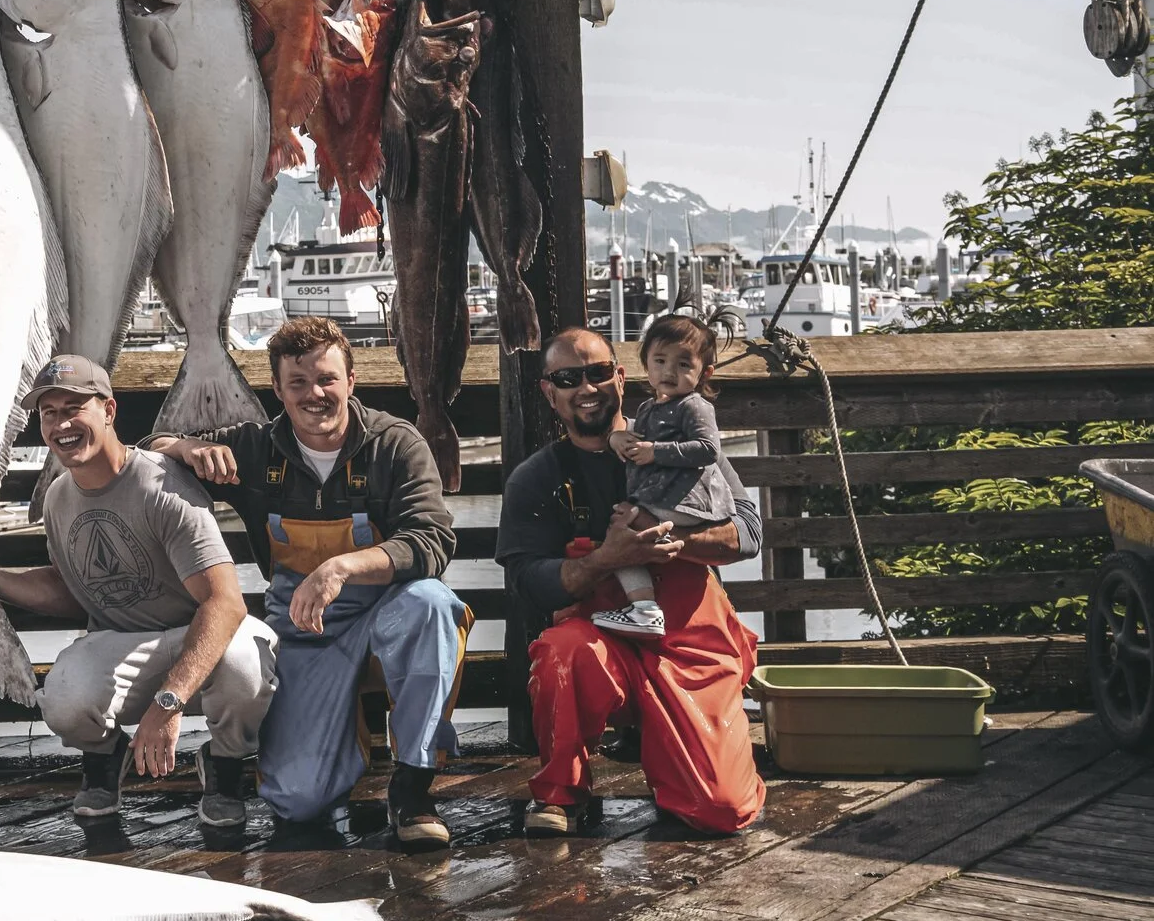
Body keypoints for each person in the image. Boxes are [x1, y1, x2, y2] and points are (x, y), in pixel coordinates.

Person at [150, 315, 467, 848]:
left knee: (432, 605)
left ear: (351, 380)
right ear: (276, 389)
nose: (314, 394)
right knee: (298, 803)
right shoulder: (254, 448)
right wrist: (182, 448)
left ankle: (413, 786)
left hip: (389, 613)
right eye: (297, 383)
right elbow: (144, 451)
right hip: (304, 632)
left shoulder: (396, 445)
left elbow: (432, 540)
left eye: (326, 380)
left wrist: (341, 567)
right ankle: (292, 753)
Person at [0, 355, 277, 828]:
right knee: (63, 697)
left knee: (246, 666)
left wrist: (168, 702)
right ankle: (105, 756)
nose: (62, 424)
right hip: (123, 641)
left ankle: (223, 764)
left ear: (109, 411)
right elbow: (69, 586)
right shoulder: (58, 496)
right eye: (49, 413)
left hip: (198, 632)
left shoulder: (162, 484)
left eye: (75, 407)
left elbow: (224, 602)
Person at [496, 326, 766, 838]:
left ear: (622, 377)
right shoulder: (535, 476)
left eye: (598, 373)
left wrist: (669, 542)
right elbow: (529, 582)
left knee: (723, 810)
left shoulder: (685, 443)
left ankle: (675, 760)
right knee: (562, 652)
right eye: (568, 378)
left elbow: (750, 533)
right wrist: (604, 560)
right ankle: (560, 792)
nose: (586, 387)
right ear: (548, 392)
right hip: (604, 636)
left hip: (690, 643)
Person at [593, 314, 745, 640]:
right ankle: (644, 606)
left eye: (683, 365)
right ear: (646, 365)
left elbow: (707, 449)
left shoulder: (695, 406)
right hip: (667, 497)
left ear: (705, 373)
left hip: (687, 500)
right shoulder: (650, 408)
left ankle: (645, 609)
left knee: (622, 534)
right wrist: (616, 438)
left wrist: (655, 452)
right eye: (660, 361)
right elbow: (638, 435)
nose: (669, 372)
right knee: (620, 534)